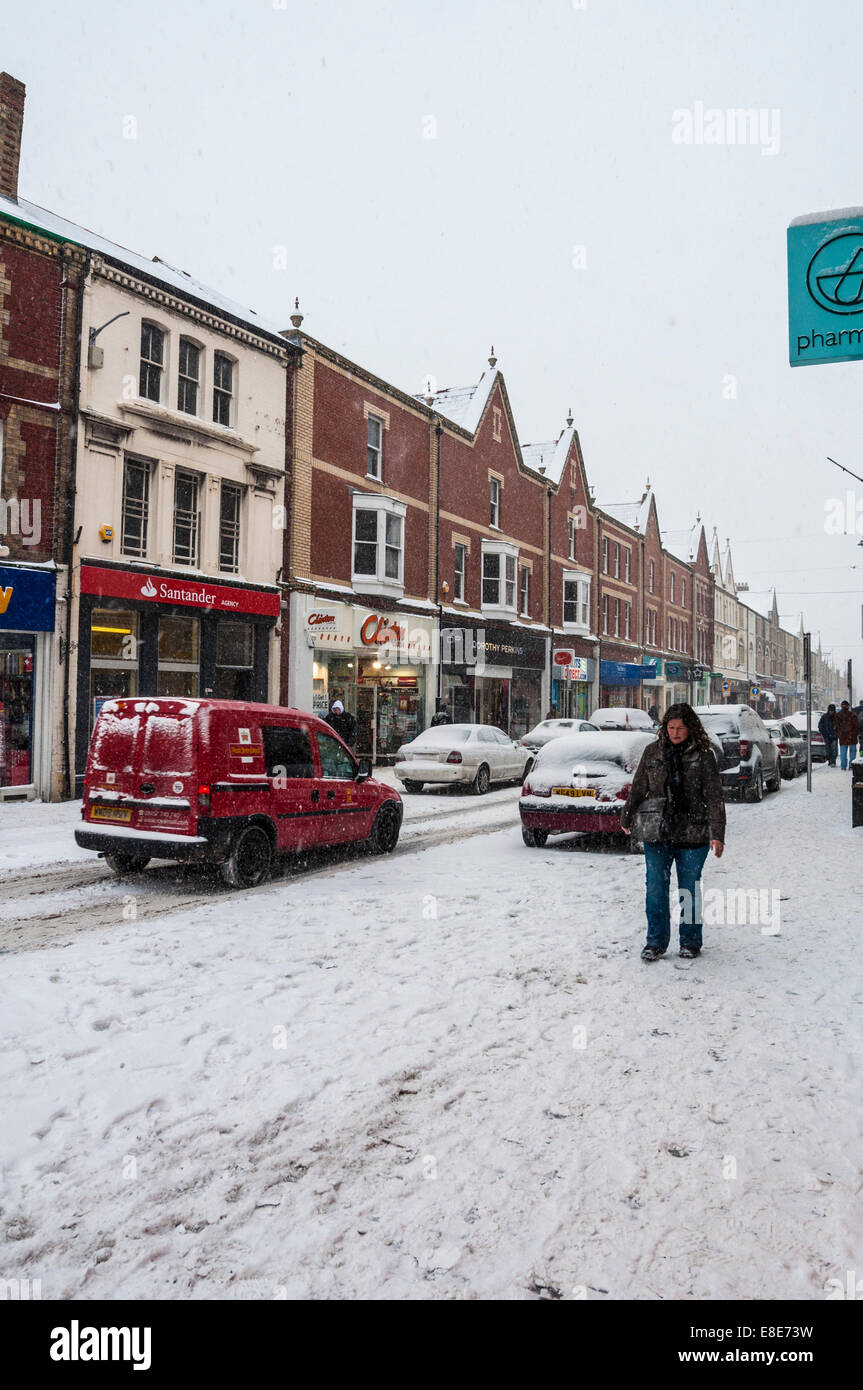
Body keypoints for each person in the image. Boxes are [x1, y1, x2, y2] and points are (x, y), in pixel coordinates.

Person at [620, 703, 725, 962]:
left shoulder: (703, 755)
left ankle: (690, 941)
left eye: (680, 728)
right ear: (664, 728)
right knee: (655, 887)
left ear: (691, 728)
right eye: (671, 727)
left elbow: (713, 796)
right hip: (657, 829)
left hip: (694, 831)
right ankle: (655, 942)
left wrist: (717, 833)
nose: (675, 732)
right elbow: (639, 786)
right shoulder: (652, 752)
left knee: (688, 889)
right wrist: (627, 813)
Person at [834, 700, 859, 771]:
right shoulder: (853, 714)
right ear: (848, 706)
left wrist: (840, 734)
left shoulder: (838, 715)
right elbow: (856, 726)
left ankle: (843, 766)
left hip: (843, 738)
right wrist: (855, 733)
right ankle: (851, 765)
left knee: (843, 753)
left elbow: (836, 727)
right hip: (852, 737)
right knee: (853, 752)